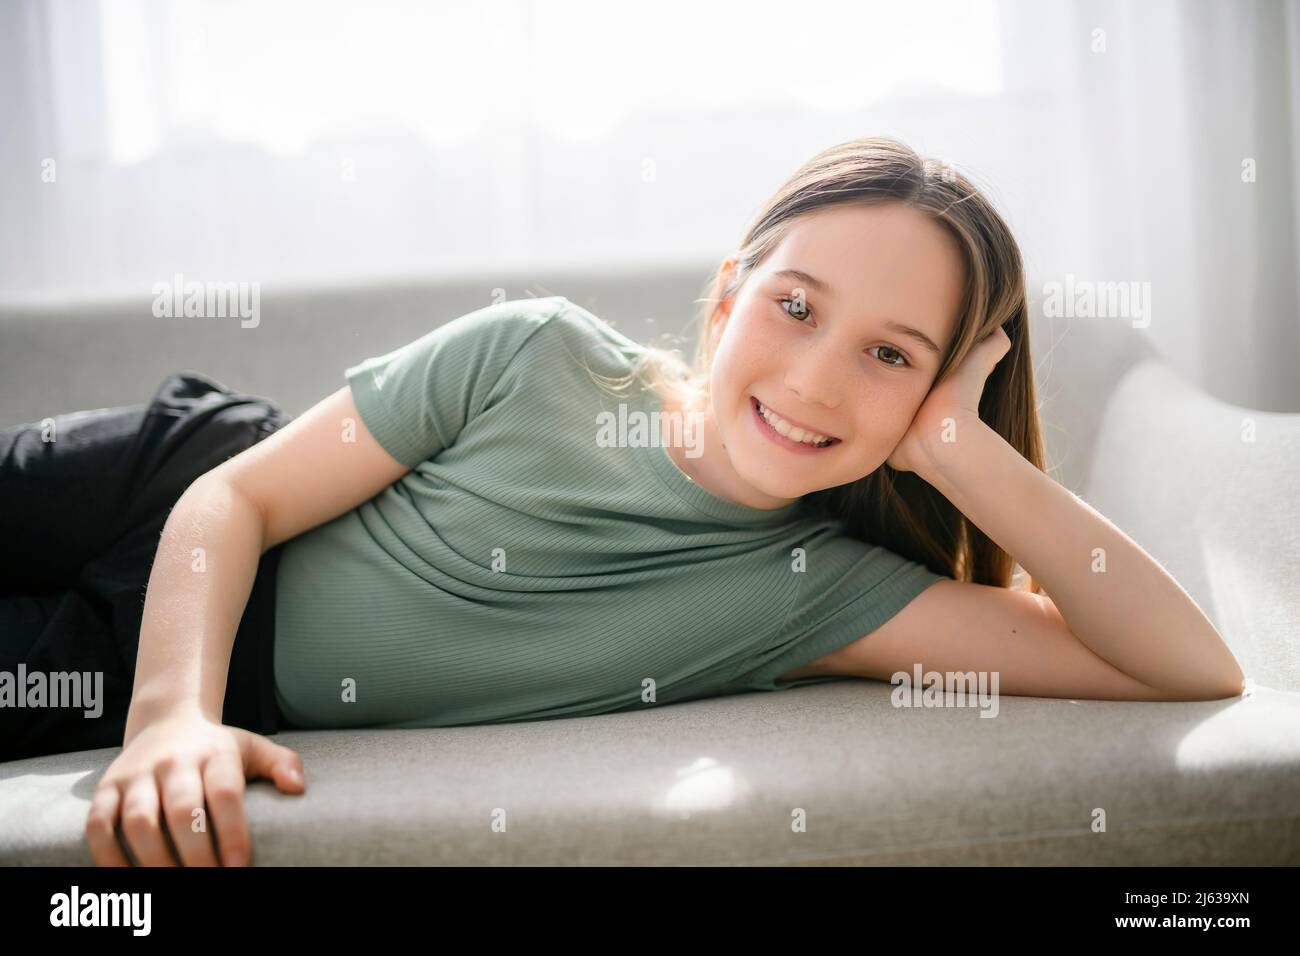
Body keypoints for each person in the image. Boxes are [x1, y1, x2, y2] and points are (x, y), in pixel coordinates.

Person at [5, 135, 1244, 868]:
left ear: (936, 392)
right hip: (168, 495)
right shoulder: (535, 350)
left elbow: (1188, 669)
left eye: (891, 354)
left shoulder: (820, 596)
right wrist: (173, 719)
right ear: (725, 297)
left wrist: (962, 453)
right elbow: (234, 499)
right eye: (795, 306)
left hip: (168, 656)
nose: (814, 376)